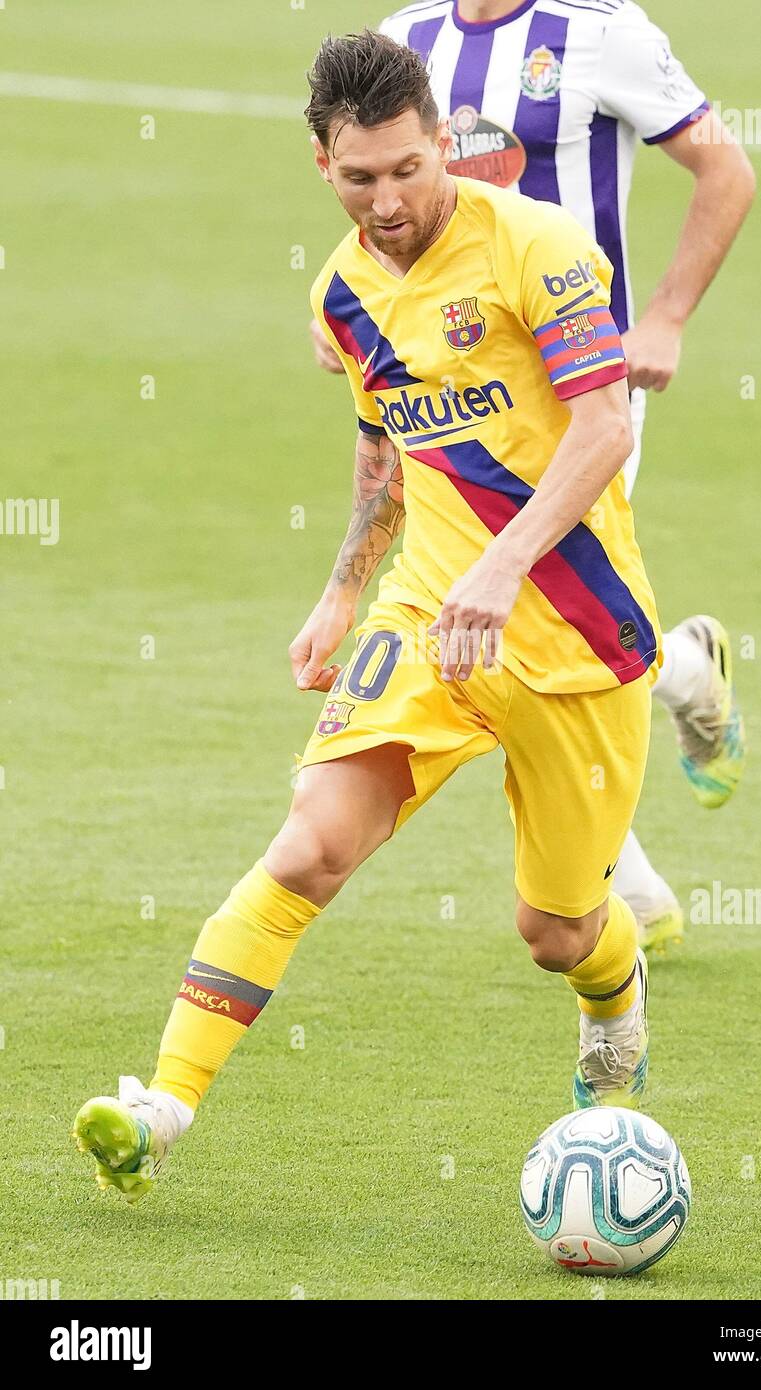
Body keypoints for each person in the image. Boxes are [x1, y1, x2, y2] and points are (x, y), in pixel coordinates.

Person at [73, 30, 661, 1202]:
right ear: (320, 165)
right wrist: (346, 588)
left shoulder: (538, 246)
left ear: (446, 143)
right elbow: (384, 443)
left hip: (576, 640)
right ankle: (163, 1106)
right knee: (312, 842)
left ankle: (614, 997)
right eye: (360, 178)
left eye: (408, 169)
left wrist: (498, 570)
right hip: (427, 620)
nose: (388, 200)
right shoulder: (340, 294)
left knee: (553, 927)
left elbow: (601, 424)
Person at [311, 0, 756, 953]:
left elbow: (727, 164)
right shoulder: (401, 37)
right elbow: (374, 197)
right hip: (454, 392)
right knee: (521, 621)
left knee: (549, 619)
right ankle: (683, 686)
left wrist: (667, 316)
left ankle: (611, 889)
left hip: (577, 389)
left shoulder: (607, 33)